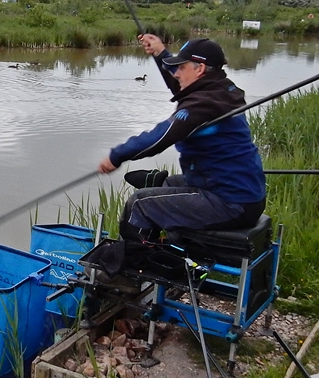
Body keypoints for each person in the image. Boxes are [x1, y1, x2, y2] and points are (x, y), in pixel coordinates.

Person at [97, 35, 266, 241]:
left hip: (231, 203)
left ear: (200, 69)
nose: (176, 73)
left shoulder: (203, 104)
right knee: (166, 186)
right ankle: (164, 249)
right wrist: (160, 53)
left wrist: (116, 156)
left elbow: (160, 137)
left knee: (140, 204)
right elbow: (181, 85)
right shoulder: (221, 89)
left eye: (181, 67)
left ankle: (133, 267)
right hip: (241, 194)